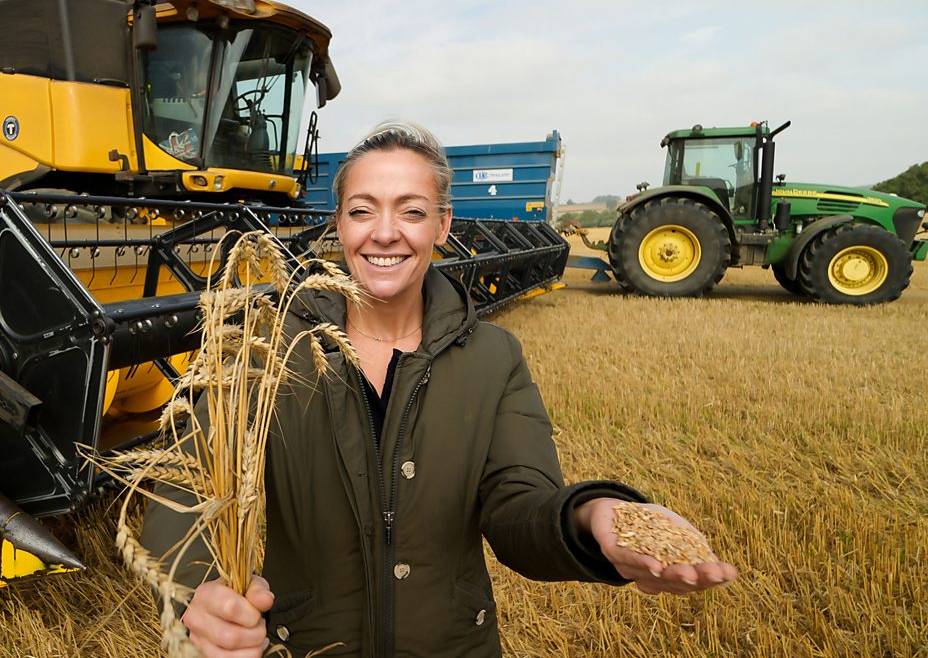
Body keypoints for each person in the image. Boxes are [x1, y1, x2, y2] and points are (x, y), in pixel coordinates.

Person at [140, 120, 738, 657]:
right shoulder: (268, 349)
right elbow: (186, 480)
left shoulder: (492, 358)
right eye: (362, 210)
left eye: (412, 211)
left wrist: (588, 516)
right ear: (339, 223)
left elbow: (518, 503)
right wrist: (200, 591)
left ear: (444, 225)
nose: (385, 233)